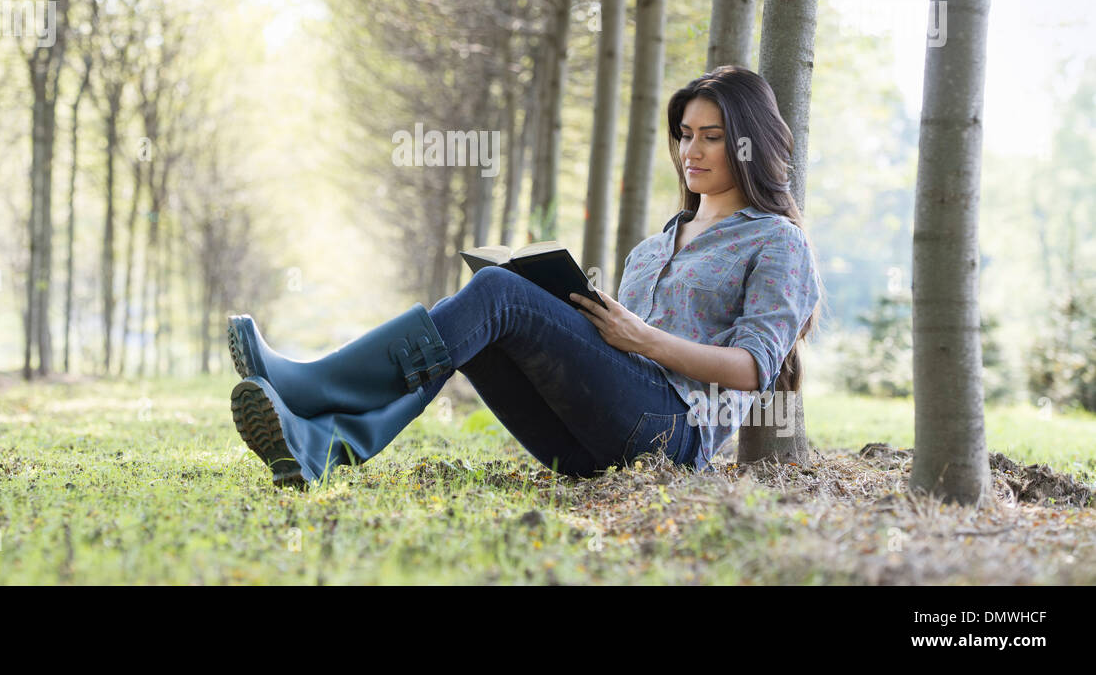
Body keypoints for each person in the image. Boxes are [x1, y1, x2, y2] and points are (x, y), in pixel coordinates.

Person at [230, 65, 825, 489]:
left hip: (674, 438)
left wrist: (643, 339)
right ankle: (323, 444)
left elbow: (753, 369)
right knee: (477, 319)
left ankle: (312, 391)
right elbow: (611, 358)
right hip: (583, 446)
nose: (691, 150)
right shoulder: (651, 248)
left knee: (494, 296)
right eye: (685, 135)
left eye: (712, 138)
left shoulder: (776, 240)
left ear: (748, 144)